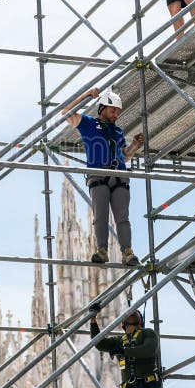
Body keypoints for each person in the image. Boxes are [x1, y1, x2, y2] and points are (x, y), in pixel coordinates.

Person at [61, 87, 144, 266]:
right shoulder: (88, 124)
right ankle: (102, 250)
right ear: (102, 109)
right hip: (99, 175)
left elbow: (125, 156)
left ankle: (127, 252)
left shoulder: (118, 132)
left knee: (122, 217)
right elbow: (65, 112)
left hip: (119, 175)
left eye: (117, 112)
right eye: (113, 110)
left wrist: (135, 145)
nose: (116, 115)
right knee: (101, 216)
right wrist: (85, 95)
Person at [90, 304, 161, 388]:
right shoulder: (120, 340)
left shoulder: (147, 333)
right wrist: (93, 320)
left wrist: (124, 351)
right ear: (123, 323)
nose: (132, 313)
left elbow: (149, 349)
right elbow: (99, 344)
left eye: (136, 312)